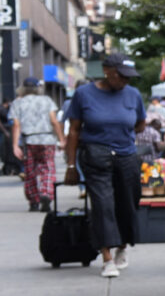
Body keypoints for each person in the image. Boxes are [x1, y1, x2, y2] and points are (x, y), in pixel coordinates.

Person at [64, 53, 145, 278]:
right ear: (107, 70)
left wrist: (120, 132)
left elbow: (140, 124)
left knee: (128, 203)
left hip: (126, 155)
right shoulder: (84, 94)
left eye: (129, 77)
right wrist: (71, 165)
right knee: (103, 204)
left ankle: (122, 247)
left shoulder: (133, 95)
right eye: (122, 76)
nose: (125, 81)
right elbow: (74, 131)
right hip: (95, 154)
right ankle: (107, 257)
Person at [10, 78, 65, 212]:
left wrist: (15, 145)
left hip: (29, 141)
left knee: (30, 172)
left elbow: (16, 125)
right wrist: (61, 139)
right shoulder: (47, 100)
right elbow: (54, 121)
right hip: (47, 139)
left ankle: (34, 201)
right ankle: (46, 193)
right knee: (48, 167)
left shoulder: (18, 103)